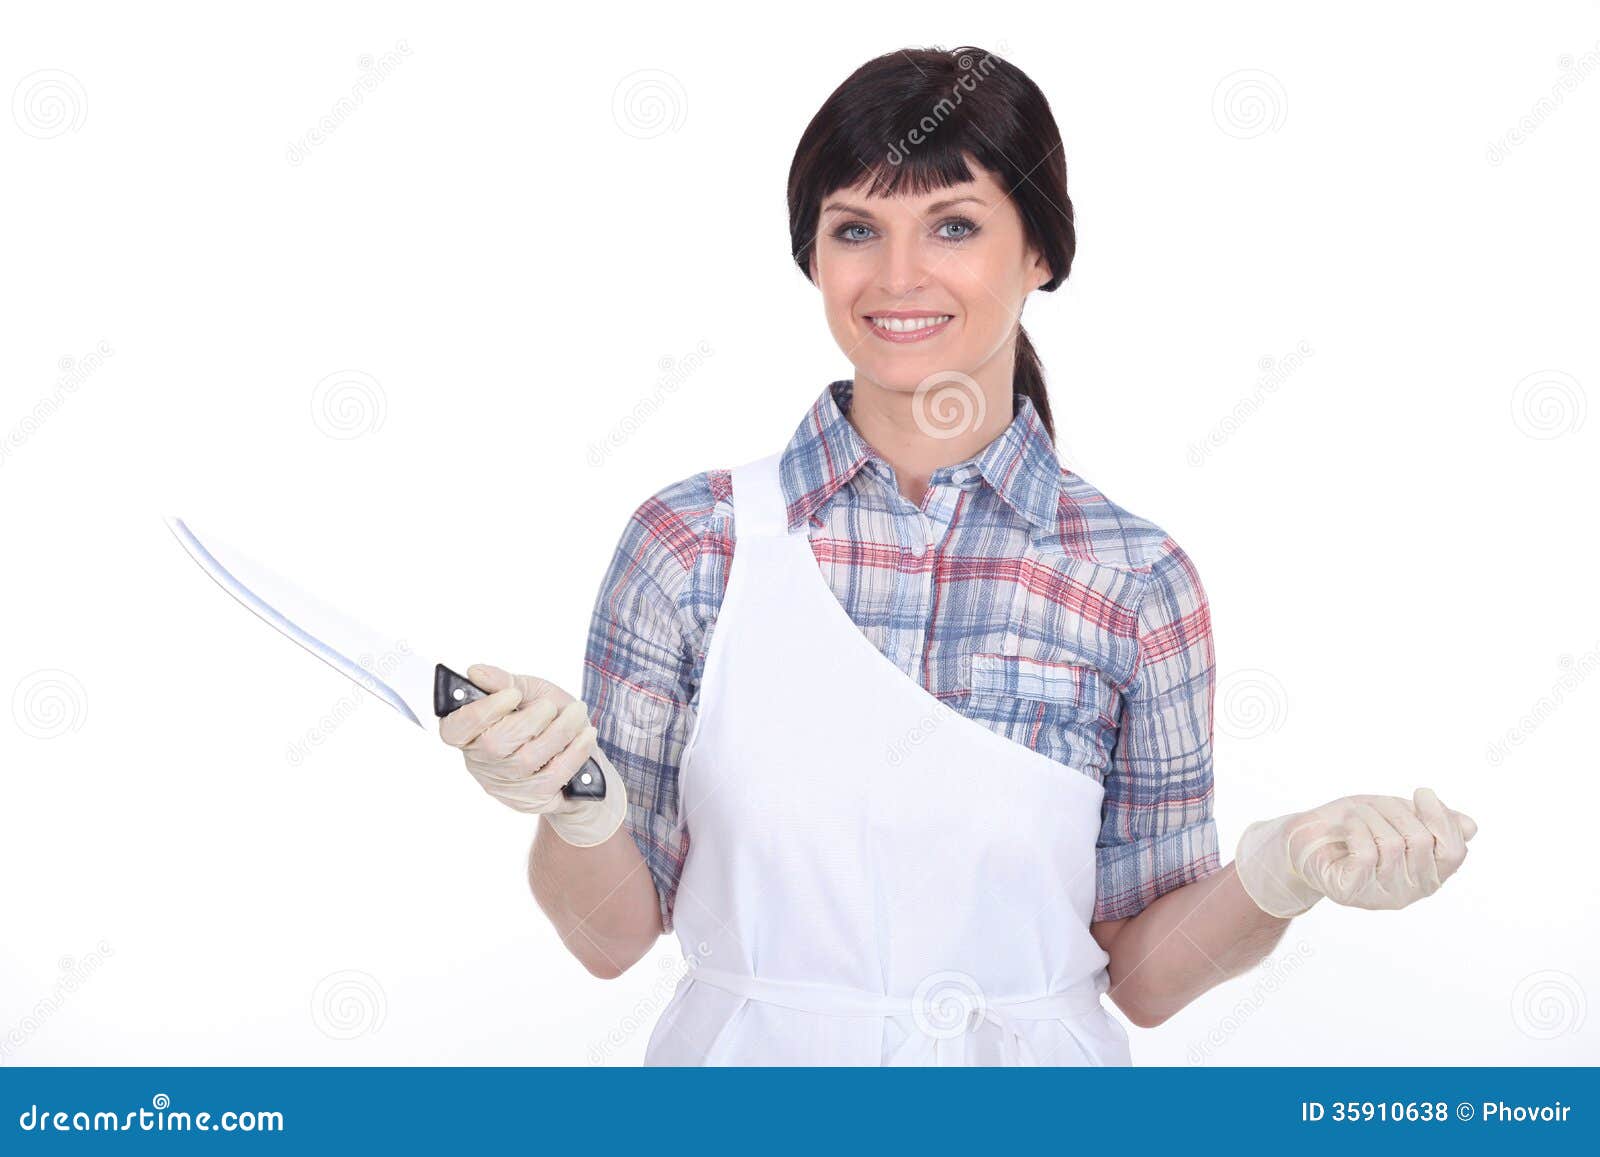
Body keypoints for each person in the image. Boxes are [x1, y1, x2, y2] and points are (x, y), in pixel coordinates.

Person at [439, 45, 1476, 1066]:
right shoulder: (692, 543)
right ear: (813, 256)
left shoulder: (1131, 577)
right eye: (855, 229)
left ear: (1041, 254)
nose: (897, 277)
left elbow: (1148, 978)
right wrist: (571, 800)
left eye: (953, 225)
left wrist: (1278, 870)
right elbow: (610, 937)